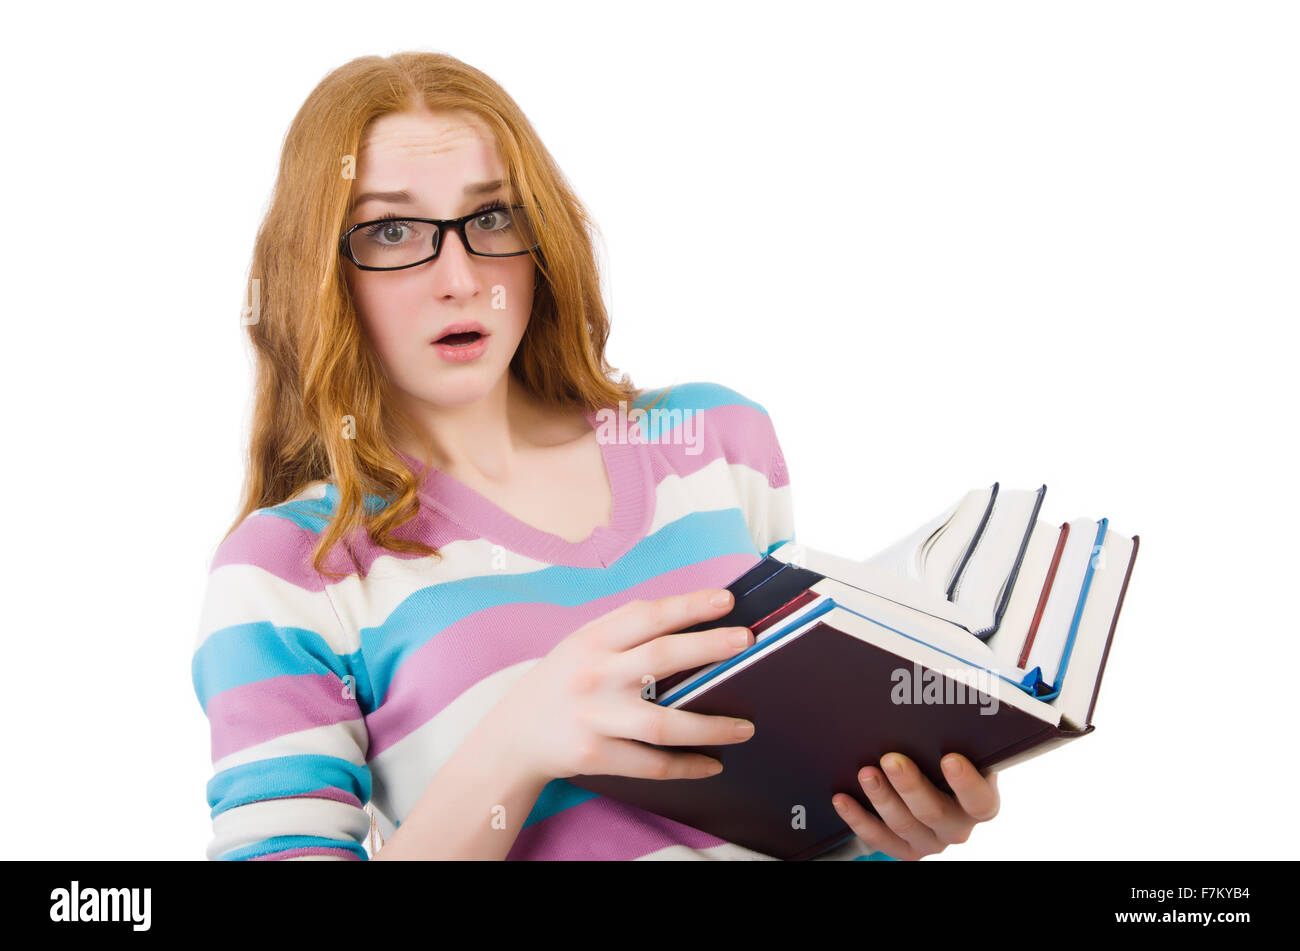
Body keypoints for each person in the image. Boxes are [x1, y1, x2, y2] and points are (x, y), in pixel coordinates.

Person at [191, 51, 999, 861]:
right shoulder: (293, 568)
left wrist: (886, 830)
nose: (463, 278)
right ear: (319, 270)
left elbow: (792, 802)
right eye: (392, 230)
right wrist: (517, 742)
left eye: (493, 217)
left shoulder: (714, 442)